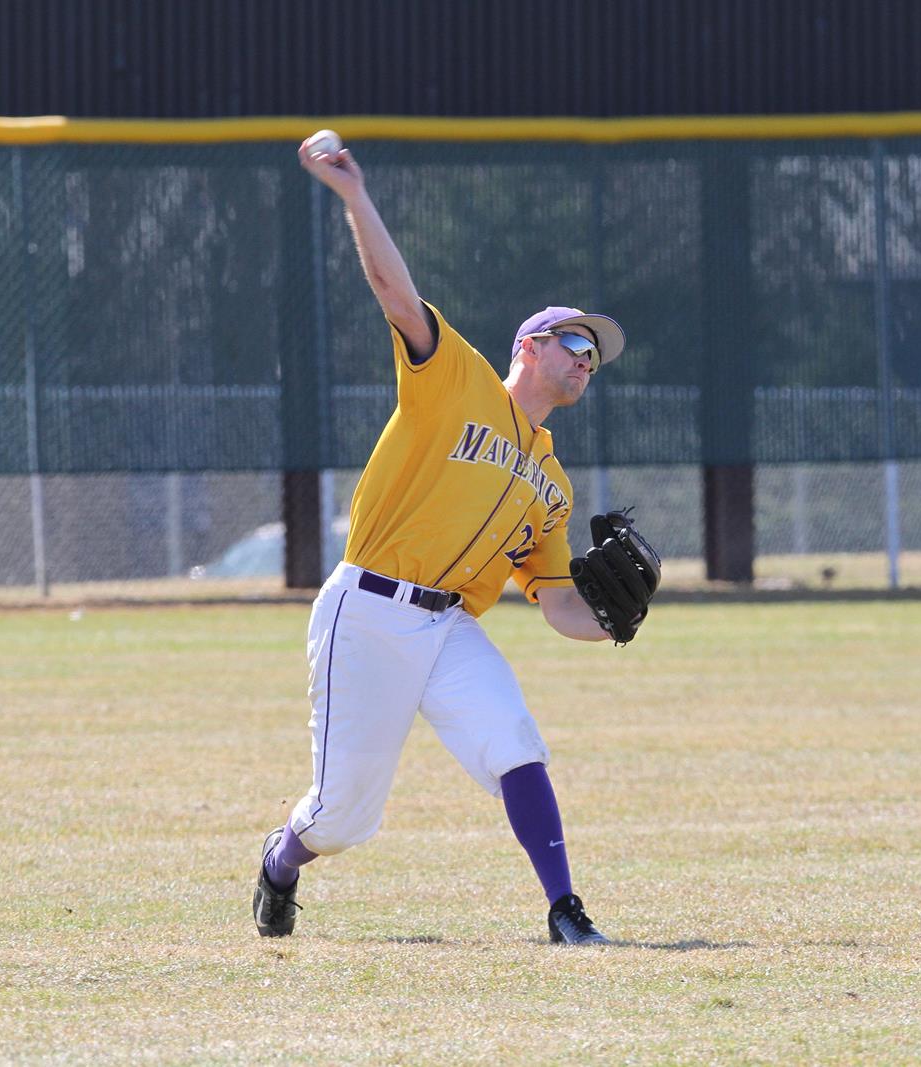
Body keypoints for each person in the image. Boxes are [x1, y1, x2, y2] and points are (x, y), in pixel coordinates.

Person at [252, 134, 640, 946]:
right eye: (575, 344)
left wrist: (608, 621)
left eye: (594, 359)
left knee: (514, 742)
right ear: (529, 347)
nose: (586, 363)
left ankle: (565, 909)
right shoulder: (453, 377)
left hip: (448, 626)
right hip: (367, 610)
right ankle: (283, 859)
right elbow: (397, 294)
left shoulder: (552, 480)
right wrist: (355, 197)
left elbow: (556, 599)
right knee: (343, 817)